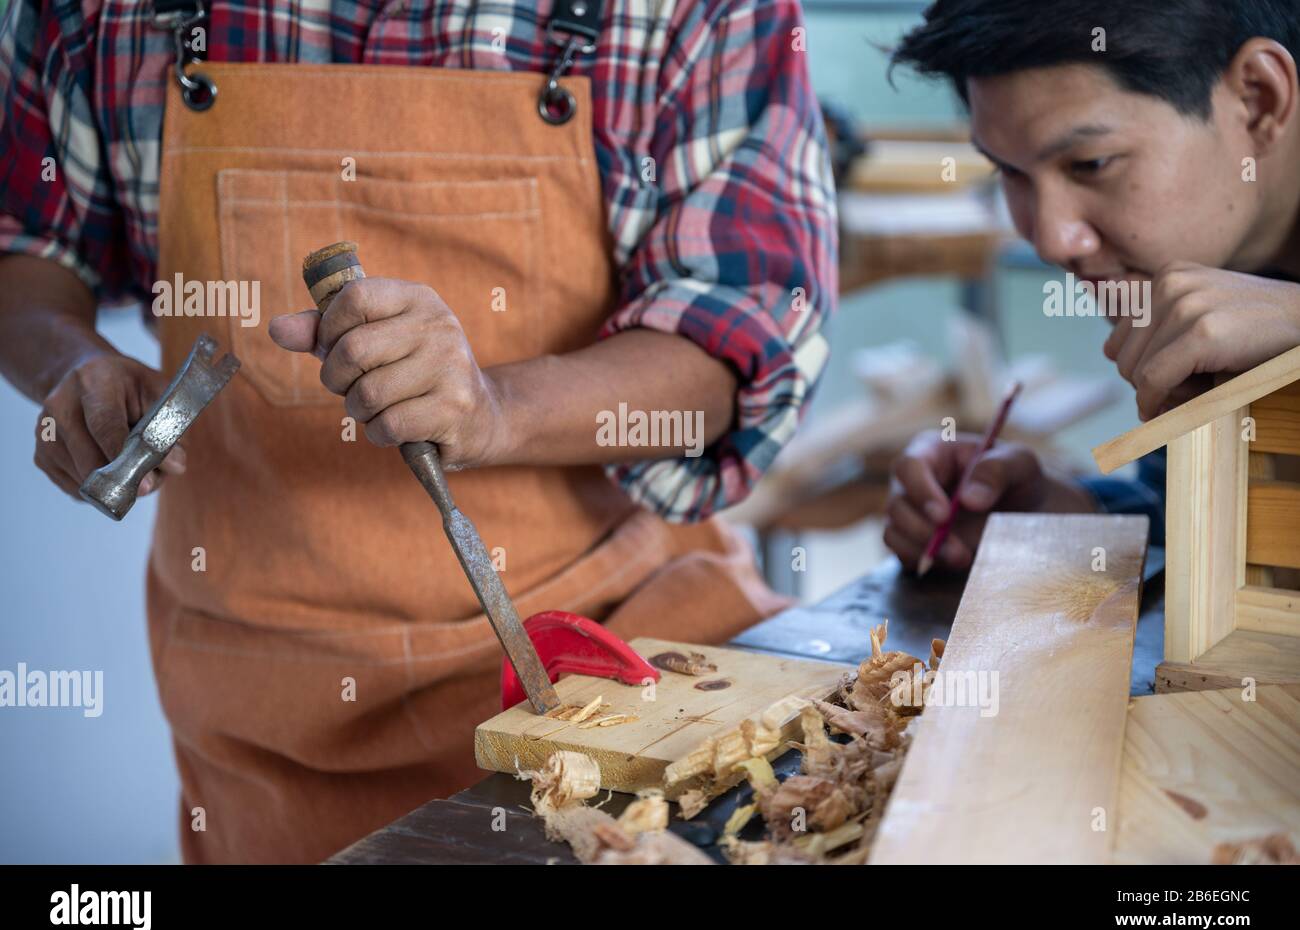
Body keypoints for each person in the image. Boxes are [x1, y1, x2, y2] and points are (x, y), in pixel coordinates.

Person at [0, 0, 835, 862]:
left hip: (622, 672)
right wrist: (72, 364)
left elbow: (739, 332)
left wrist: (496, 408)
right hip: (276, 730)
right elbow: (26, 246)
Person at [881, 0, 1300, 573]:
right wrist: (1059, 517)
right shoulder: (1218, 266)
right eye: (1010, 171)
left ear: (1258, 99)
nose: (1052, 240)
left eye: (1092, 163)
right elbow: (1226, 540)